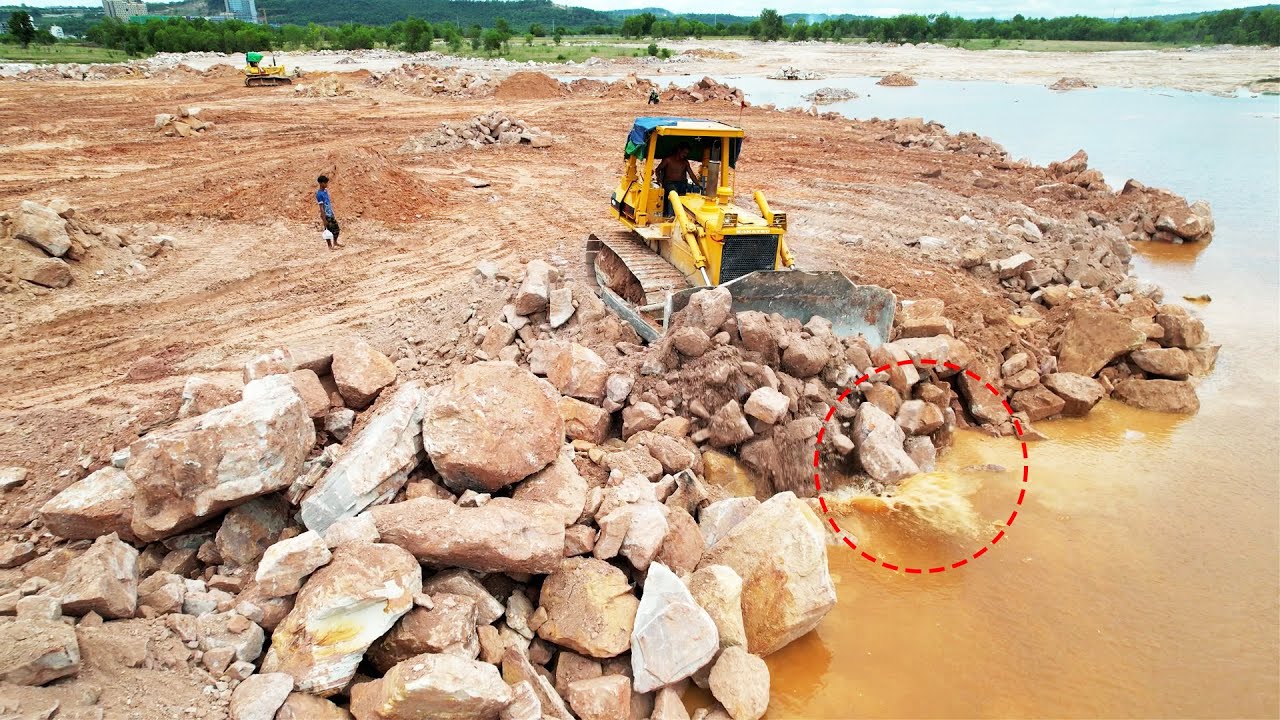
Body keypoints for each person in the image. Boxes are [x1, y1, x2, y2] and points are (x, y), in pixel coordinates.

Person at [655, 142, 701, 216]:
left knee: (684, 198)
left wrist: (698, 185)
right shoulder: (668, 160)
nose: (685, 155)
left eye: (687, 153)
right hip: (669, 183)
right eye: (684, 152)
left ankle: (682, 215)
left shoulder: (685, 162)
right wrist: (659, 178)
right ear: (679, 150)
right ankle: (670, 215)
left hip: (682, 183)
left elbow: (691, 174)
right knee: (673, 195)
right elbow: (657, 169)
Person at [315, 175, 342, 249]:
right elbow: (321, 207)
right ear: (321, 183)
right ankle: (330, 246)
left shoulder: (325, 191)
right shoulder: (319, 194)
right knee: (328, 230)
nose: (326, 184)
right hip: (326, 215)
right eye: (325, 183)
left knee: (336, 229)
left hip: (330, 213)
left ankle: (335, 242)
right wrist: (324, 219)